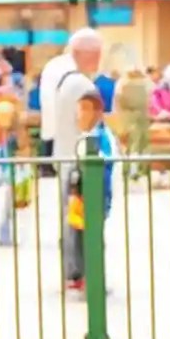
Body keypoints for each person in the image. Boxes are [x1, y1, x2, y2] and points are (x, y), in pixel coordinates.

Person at [53, 28, 106, 288]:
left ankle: (73, 272)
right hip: (82, 162)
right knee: (86, 222)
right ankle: (86, 275)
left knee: (72, 220)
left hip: (65, 157)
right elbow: (90, 123)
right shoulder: (84, 86)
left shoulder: (65, 82)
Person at [64, 86, 119, 292]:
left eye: (85, 110)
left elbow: (107, 160)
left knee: (93, 238)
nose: (80, 115)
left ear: (97, 113)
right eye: (79, 110)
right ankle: (79, 274)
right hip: (80, 196)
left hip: (95, 195)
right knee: (78, 235)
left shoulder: (103, 137)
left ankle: (95, 279)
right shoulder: (85, 136)